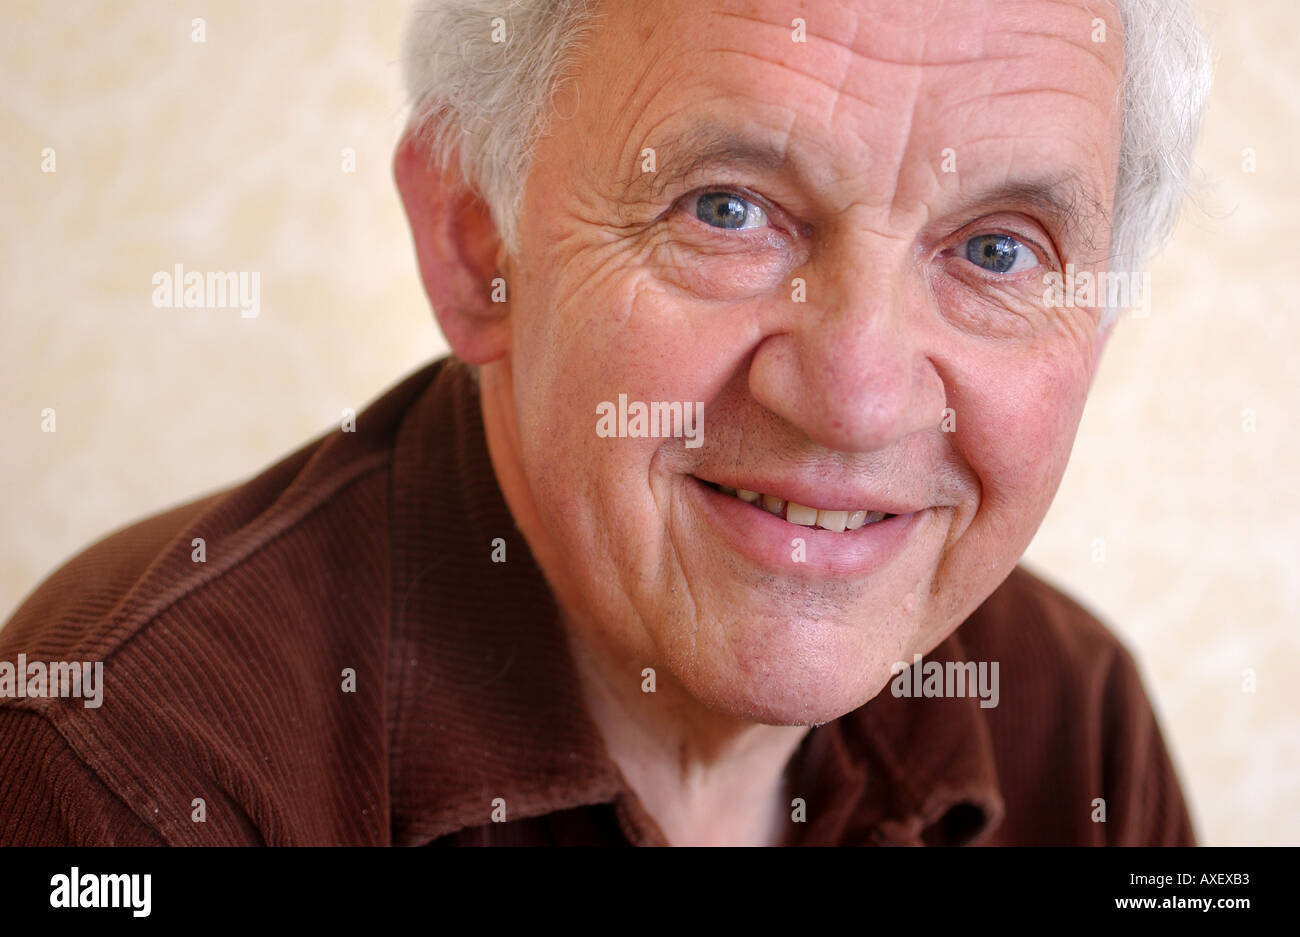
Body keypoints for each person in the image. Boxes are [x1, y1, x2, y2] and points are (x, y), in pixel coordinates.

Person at [0, 0, 1211, 846]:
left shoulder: (1075, 721)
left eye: (998, 251)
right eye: (728, 209)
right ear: (479, 241)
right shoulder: (129, 777)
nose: (855, 397)